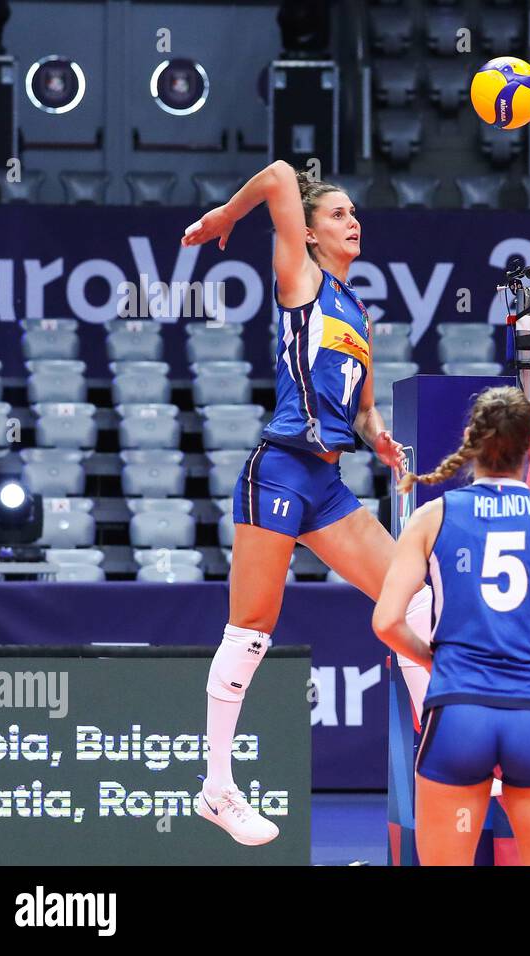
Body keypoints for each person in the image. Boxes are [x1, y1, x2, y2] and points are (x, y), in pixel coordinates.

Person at [181, 161, 410, 846]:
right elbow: (281, 173)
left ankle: (446, 753)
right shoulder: (299, 282)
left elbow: (364, 410)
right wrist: (227, 217)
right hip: (279, 471)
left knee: (415, 596)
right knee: (251, 629)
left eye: (352, 213)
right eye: (337, 215)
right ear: (307, 234)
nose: (352, 221)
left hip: (329, 486)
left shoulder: (356, 311)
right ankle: (217, 789)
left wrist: (380, 440)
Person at [371, 386, 530, 866]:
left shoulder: (433, 517)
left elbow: (387, 621)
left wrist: (438, 659)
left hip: (458, 712)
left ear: (471, 441)